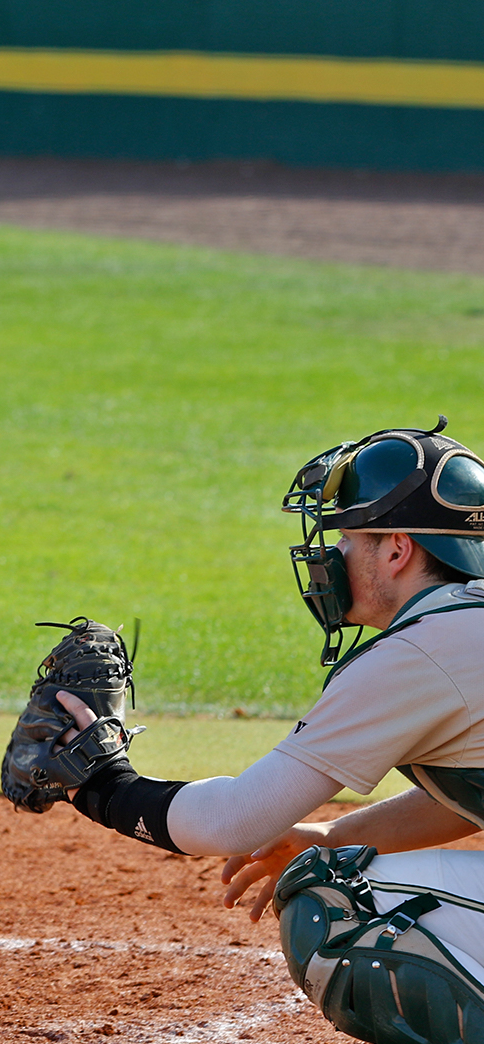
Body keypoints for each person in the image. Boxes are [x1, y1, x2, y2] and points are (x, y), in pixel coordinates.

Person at [38, 419, 484, 1044]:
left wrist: (101, 784)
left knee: (334, 904)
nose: (330, 558)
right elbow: (467, 803)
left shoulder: (426, 650)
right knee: (330, 859)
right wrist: (331, 832)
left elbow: (233, 821)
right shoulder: (465, 628)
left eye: (348, 538)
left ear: (396, 549)